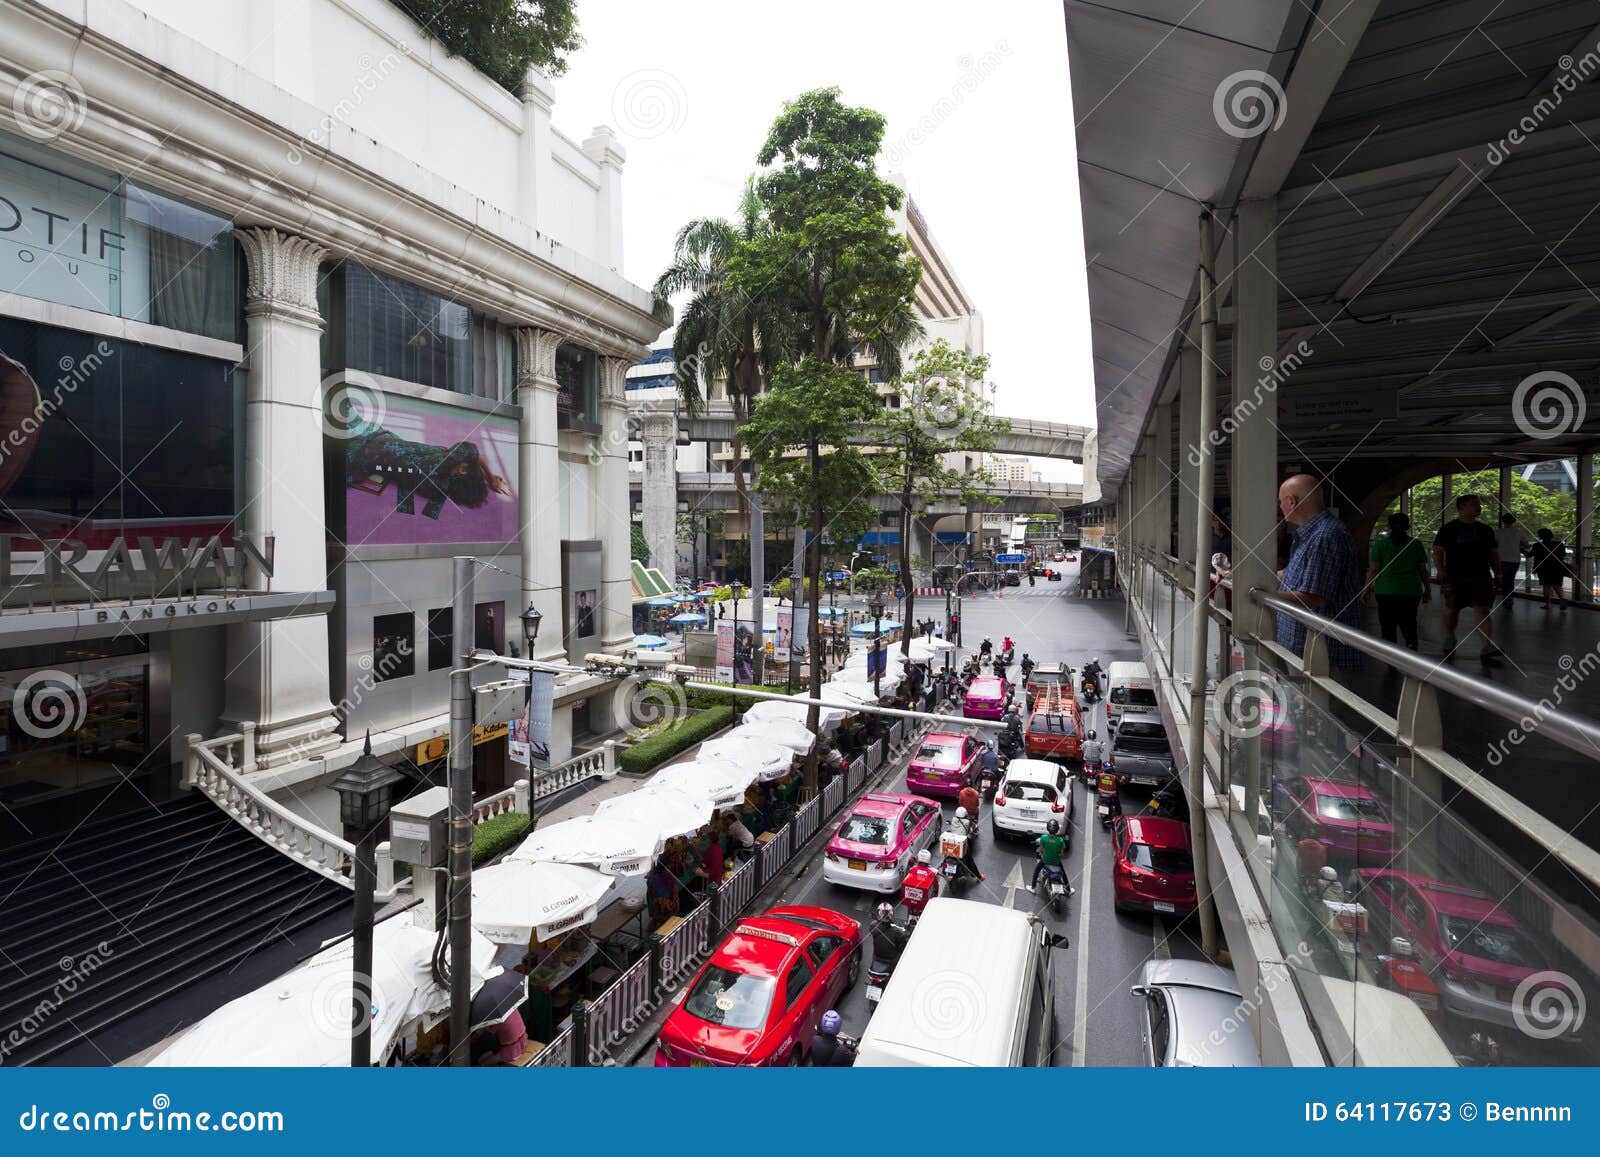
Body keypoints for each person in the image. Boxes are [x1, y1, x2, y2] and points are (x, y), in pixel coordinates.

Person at [1275, 474, 1363, 668]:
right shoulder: (1312, 534)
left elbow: (1315, 597)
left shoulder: (1325, 536)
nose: (1280, 507)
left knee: (1312, 699)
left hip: (1318, 655)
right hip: (1304, 647)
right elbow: (1292, 575)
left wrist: (1269, 594)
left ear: (1291, 501)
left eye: (1280, 502)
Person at [1432, 493, 1503, 664]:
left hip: (1481, 576)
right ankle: (1450, 636)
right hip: (1455, 576)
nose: (1478, 507)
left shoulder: (1485, 530)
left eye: (1478, 504)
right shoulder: (1449, 529)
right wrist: (1441, 570)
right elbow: (1438, 550)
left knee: (1483, 609)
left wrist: (1497, 573)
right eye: (1474, 504)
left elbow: (1493, 553)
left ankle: (1487, 646)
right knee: (1452, 609)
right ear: (1462, 507)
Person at [1365, 511, 1430, 650]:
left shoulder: (1380, 545)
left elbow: (1374, 569)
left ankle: (1391, 659)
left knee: (1387, 628)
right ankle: (1411, 653)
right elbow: (1422, 570)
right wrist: (1427, 590)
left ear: (1389, 526)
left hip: (1385, 592)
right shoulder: (1416, 544)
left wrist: (1366, 589)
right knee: (1409, 626)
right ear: (1408, 526)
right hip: (1410, 592)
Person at [1529, 527, 1571, 610]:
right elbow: (1563, 555)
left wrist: (1521, 550)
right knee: (1557, 585)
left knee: (1546, 585)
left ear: (1540, 536)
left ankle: (1548, 604)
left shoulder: (1537, 545)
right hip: (1558, 567)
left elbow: (1529, 555)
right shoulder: (1559, 544)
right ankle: (1562, 600)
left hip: (1543, 568)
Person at [870, 901, 910, 973]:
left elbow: (876, 924)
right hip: (891, 960)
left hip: (876, 957)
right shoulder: (897, 932)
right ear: (891, 914)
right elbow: (902, 948)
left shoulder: (873, 926)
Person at [1495, 513, 1526, 601]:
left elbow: (1493, 545)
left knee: (1503, 580)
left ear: (1503, 521)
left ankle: (1504, 598)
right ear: (1513, 521)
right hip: (1515, 560)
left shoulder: (1498, 532)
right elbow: (1526, 544)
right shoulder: (1518, 532)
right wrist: (1518, 547)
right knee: (1510, 580)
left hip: (1502, 559)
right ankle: (1509, 599)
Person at [1032, 819, 1071, 891]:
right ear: (1057, 829)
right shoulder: (1060, 840)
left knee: (1036, 871)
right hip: (1056, 862)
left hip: (1045, 860)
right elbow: (1061, 854)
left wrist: (1043, 853)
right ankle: (1068, 889)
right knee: (1064, 874)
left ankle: (1033, 888)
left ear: (1048, 828)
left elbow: (1041, 850)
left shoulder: (1044, 838)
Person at [951, 806, 983, 881]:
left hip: (952, 842)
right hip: (961, 843)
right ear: (965, 814)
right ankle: (978, 876)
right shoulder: (967, 822)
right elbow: (971, 829)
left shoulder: (953, 819)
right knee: (969, 859)